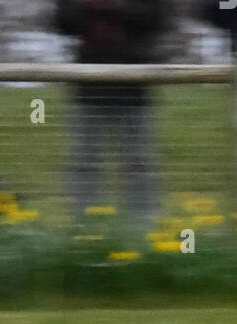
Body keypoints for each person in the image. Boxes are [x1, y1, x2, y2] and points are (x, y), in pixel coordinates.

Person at [56, 1, 175, 222]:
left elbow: (157, 19)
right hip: (88, 82)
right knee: (84, 163)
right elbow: (63, 22)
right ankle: (85, 229)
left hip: (134, 83)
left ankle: (143, 228)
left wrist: (113, 7)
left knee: (138, 163)